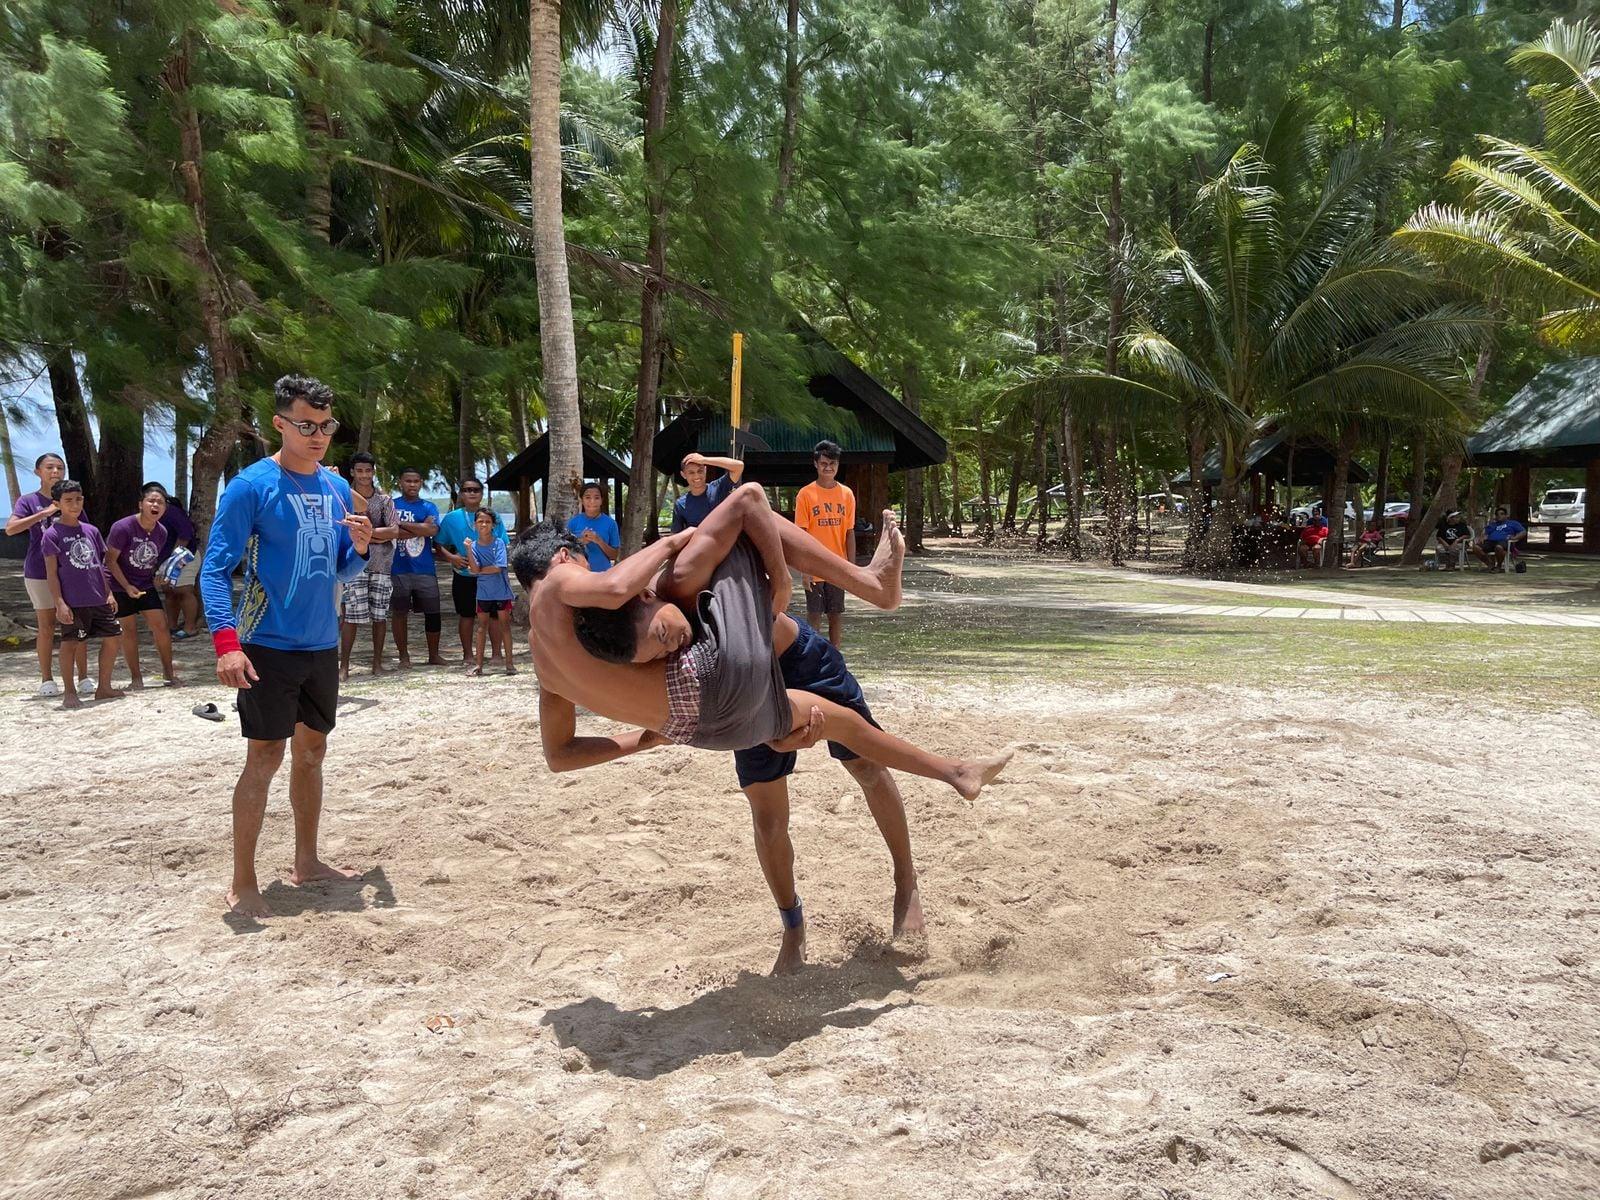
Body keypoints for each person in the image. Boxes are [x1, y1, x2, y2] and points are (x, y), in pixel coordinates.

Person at [515, 483, 1007, 799]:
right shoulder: (557, 585)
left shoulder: (545, 667)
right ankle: (871, 585)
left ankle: (955, 772)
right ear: (563, 557)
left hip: (703, 731)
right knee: (743, 515)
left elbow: (560, 756)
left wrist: (645, 740)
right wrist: (670, 542)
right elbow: (617, 587)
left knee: (848, 727)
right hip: (718, 678)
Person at [200, 374, 374, 919]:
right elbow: (213, 570)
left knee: (312, 751)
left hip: (321, 641)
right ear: (279, 423)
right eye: (306, 425)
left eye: (326, 426)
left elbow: (338, 566)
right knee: (264, 756)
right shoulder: (250, 486)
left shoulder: (338, 488)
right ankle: (242, 880)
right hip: (264, 644)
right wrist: (227, 644)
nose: (318, 435)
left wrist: (362, 550)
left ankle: (306, 861)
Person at [733, 613, 924, 974]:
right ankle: (793, 925)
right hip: (745, 689)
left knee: (867, 766)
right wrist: (771, 736)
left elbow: (780, 585)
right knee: (769, 822)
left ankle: (905, 880)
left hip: (802, 661)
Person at [41, 479, 123, 709]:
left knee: (114, 637)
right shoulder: (51, 534)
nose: (75, 505)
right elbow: (51, 573)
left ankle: (103, 687)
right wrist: (59, 603)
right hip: (73, 601)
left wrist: (109, 593)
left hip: (98, 597)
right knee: (71, 643)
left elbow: (99, 564)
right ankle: (69, 692)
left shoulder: (92, 531)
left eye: (78, 499)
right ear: (57, 503)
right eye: (68, 501)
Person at [106, 483, 179, 688]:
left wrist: (157, 577)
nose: (155, 505)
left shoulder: (162, 532)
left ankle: (168, 673)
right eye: (151, 501)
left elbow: (150, 561)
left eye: (161, 502)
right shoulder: (122, 527)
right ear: (141, 504)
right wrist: (126, 586)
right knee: (128, 631)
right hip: (120, 585)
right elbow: (110, 560)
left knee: (161, 626)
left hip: (145, 584)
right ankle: (136, 678)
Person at [6, 452, 67, 696]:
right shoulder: (28, 500)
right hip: (39, 570)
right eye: (50, 468)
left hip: (69, 571)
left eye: (60, 468)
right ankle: (46, 678)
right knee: (47, 626)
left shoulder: (69, 498)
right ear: (38, 472)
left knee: (73, 625)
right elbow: (10, 529)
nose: (55, 472)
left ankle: (78, 676)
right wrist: (44, 513)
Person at [338, 451, 400, 679]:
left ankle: (377, 663)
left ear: (373, 472)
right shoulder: (344, 499)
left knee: (380, 615)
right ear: (353, 472)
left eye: (368, 470)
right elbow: (344, 528)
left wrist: (364, 533)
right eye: (360, 470)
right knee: (351, 616)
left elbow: (394, 530)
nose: (364, 475)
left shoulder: (385, 500)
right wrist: (376, 534)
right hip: (354, 564)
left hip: (382, 564)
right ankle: (343, 666)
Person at [434, 477, 507, 661]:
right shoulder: (451, 518)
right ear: (461, 494)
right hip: (464, 575)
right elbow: (438, 543)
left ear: (482, 494)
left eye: (476, 490)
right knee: (466, 615)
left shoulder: (495, 517)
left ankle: (497, 654)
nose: (471, 493)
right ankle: (468, 654)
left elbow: (503, 544)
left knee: (493, 617)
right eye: (467, 490)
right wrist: (452, 558)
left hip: (491, 576)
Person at [795, 440, 855, 647]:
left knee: (836, 614)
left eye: (833, 463)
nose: (828, 467)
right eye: (824, 463)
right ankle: (815, 657)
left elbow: (849, 532)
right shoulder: (805, 494)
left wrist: (852, 568)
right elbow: (800, 535)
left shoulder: (847, 494)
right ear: (815, 464)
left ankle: (836, 656)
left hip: (837, 565)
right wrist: (804, 569)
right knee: (814, 613)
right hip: (814, 565)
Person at [390, 467, 446, 667]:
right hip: (398, 568)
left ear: (421, 483)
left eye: (416, 481)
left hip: (424, 569)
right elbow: (391, 532)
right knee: (399, 613)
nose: (412, 485)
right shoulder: (392, 505)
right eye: (408, 481)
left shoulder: (429, 507)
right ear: (400, 482)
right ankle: (404, 656)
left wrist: (402, 526)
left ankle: (434, 655)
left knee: (433, 612)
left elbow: (432, 529)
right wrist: (419, 528)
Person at [467, 508, 517, 676]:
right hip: (483, 593)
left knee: (505, 626)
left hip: (501, 592)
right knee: (481, 628)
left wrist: (479, 570)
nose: (484, 524)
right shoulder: (473, 546)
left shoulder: (499, 543)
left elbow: (497, 568)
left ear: (493, 525)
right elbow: (473, 568)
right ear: (475, 524)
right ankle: (478, 665)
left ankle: (509, 663)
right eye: (481, 521)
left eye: (488, 522)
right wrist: (468, 550)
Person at [157, 495, 203, 639]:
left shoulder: (173, 512)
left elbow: (185, 535)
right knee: (169, 592)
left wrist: (174, 558)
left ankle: (190, 627)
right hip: (165, 560)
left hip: (186, 556)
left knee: (184, 590)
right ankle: (172, 626)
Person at [669, 451, 744, 532]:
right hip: (701, 543)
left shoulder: (719, 487)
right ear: (683, 475)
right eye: (691, 473)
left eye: (700, 471)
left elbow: (739, 466)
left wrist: (704, 460)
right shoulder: (680, 504)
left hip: (725, 541)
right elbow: (675, 535)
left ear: (705, 470)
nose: (696, 476)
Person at [566, 481, 620, 571]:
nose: (592, 501)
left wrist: (599, 541)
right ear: (582, 500)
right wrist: (581, 541)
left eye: (596, 498)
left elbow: (614, 555)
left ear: (601, 500)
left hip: (602, 575)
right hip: (578, 575)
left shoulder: (611, 524)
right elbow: (565, 551)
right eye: (587, 497)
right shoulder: (573, 522)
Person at [1474, 505, 1528, 570]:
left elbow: (1523, 532)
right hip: (1490, 542)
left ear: (1506, 515)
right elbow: (1485, 532)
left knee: (1498, 547)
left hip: (1504, 542)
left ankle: (1499, 565)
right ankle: (1489, 564)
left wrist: (1514, 538)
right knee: (1476, 547)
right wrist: (1482, 537)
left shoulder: (1512, 523)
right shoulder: (1493, 525)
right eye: (1497, 514)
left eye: (1502, 514)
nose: (1499, 516)